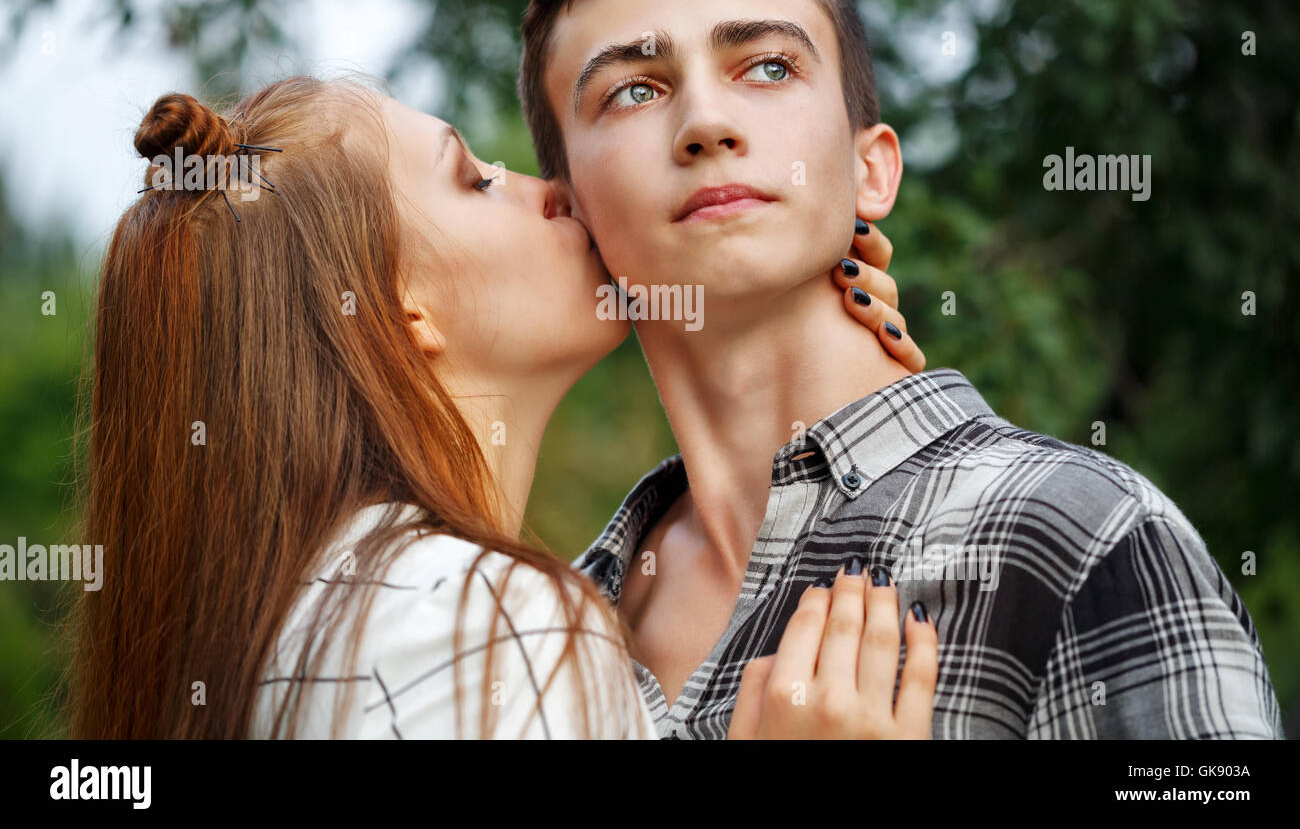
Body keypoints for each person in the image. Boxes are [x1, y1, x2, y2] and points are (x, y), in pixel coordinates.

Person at [516, 0, 1285, 738]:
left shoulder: (1080, 534)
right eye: (635, 88)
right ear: (570, 212)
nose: (704, 121)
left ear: (871, 170)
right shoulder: (537, 652)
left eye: (768, 67)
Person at [67, 80, 936, 739]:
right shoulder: (484, 620)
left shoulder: (299, 616)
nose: (550, 189)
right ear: (401, 309)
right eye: (476, 179)